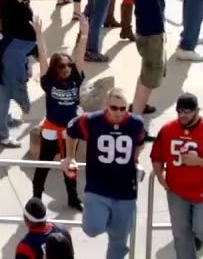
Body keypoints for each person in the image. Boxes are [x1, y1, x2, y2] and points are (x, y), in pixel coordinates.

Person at [63, 88, 148, 259]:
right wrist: (69, 157)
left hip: (125, 191)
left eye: (123, 108)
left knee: (118, 243)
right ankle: (110, 222)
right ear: (106, 105)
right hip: (98, 186)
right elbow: (70, 132)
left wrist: (136, 158)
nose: (118, 112)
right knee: (92, 228)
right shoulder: (91, 120)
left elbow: (139, 142)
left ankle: (115, 228)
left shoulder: (136, 123)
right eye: (114, 108)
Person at [151, 93, 203, 259]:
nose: (182, 116)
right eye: (179, 111)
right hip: (176, 191)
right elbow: (156, 156)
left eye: (187, 112)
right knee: (181, 236)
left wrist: (200, 162)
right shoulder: (167, 130)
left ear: (197, 111)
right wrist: (160, 177)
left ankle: (198, 237)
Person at [31, 12, 88, 210]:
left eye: (69, 65)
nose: (67, 69)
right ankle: (36, 198)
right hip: (51, 130)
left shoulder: (76, 78)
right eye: (63, 66)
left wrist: (84, 34)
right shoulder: (49, 81)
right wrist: (39, 34)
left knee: (70, 166)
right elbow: (44, 57)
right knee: (43, 165)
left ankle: (73, 197)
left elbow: (80, 55)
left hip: (70, 133)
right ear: (55, 68)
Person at [0, 0, 42, 148]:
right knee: (7, 89)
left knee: (7, 87)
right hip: (13, 51)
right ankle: (2, 134)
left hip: (12, 48)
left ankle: (4, 120)